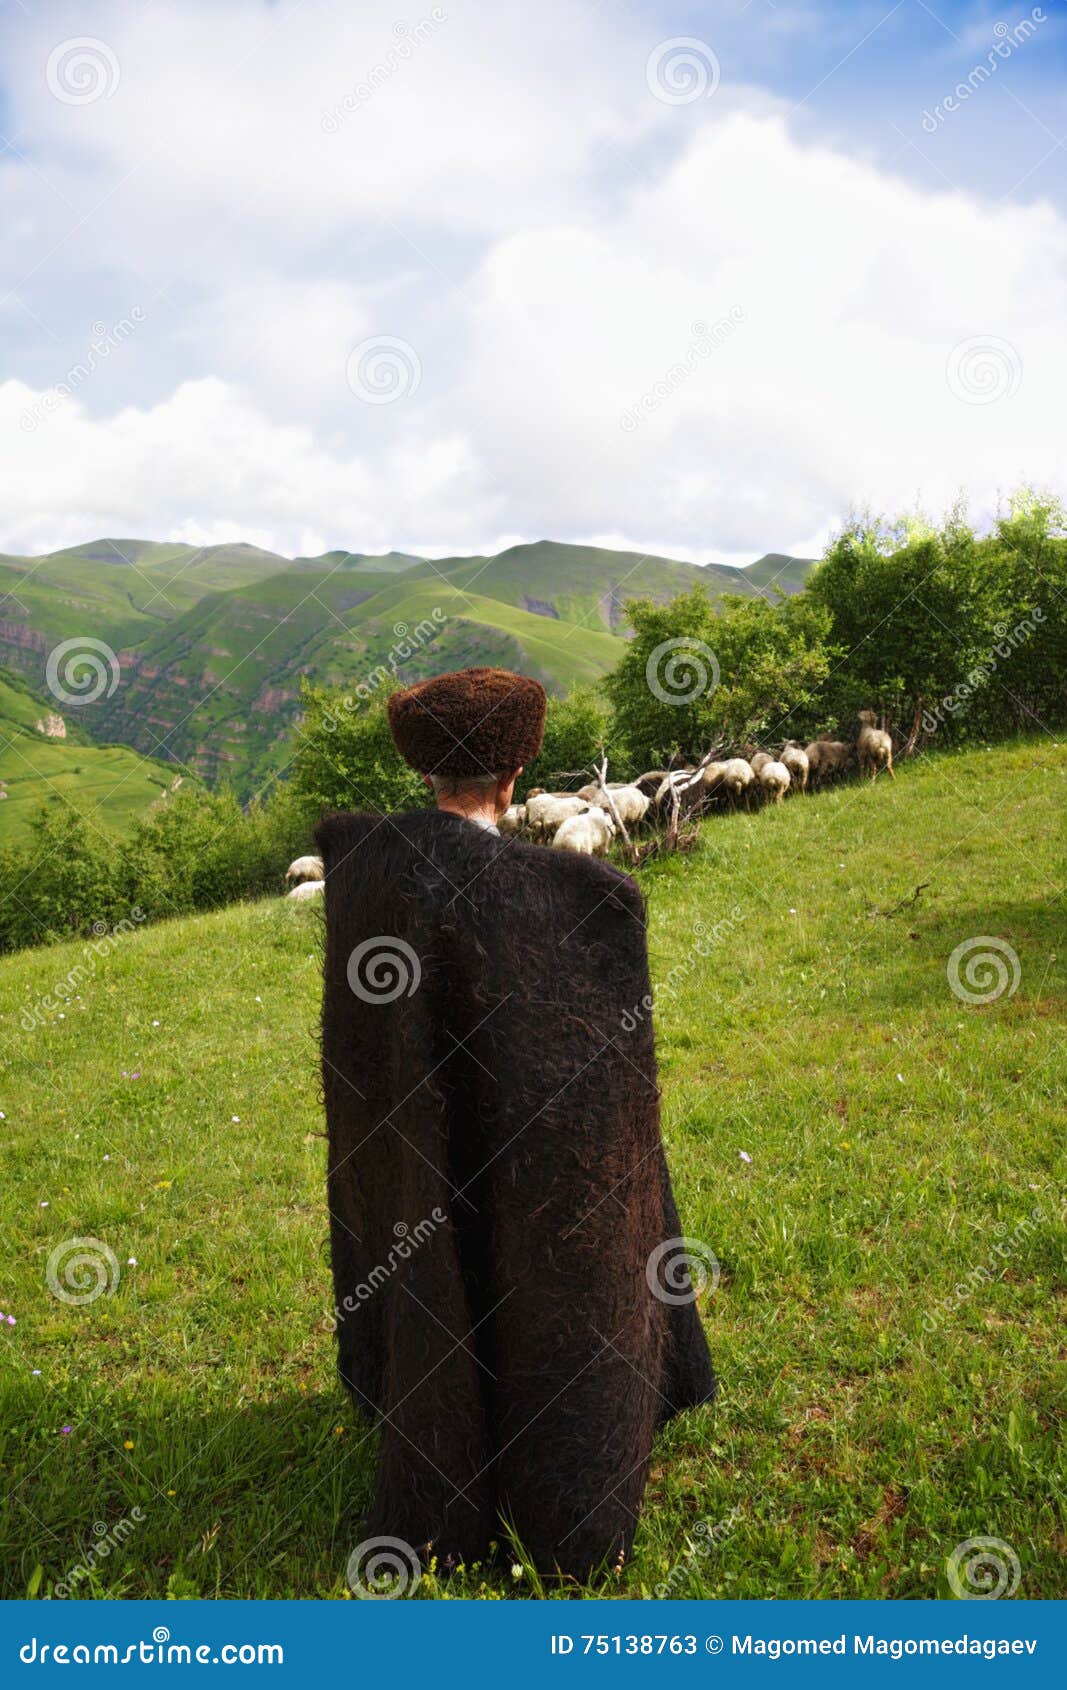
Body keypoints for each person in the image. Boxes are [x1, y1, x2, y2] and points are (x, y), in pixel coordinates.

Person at [316, 666, 714, 1580]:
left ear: (423, 769)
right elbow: (600, 1113)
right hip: (526, 1167)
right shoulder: (576, 900)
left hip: (411, 1158)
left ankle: (429, 1396)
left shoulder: (364, 877)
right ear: (515, 773)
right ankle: (558, 1452)